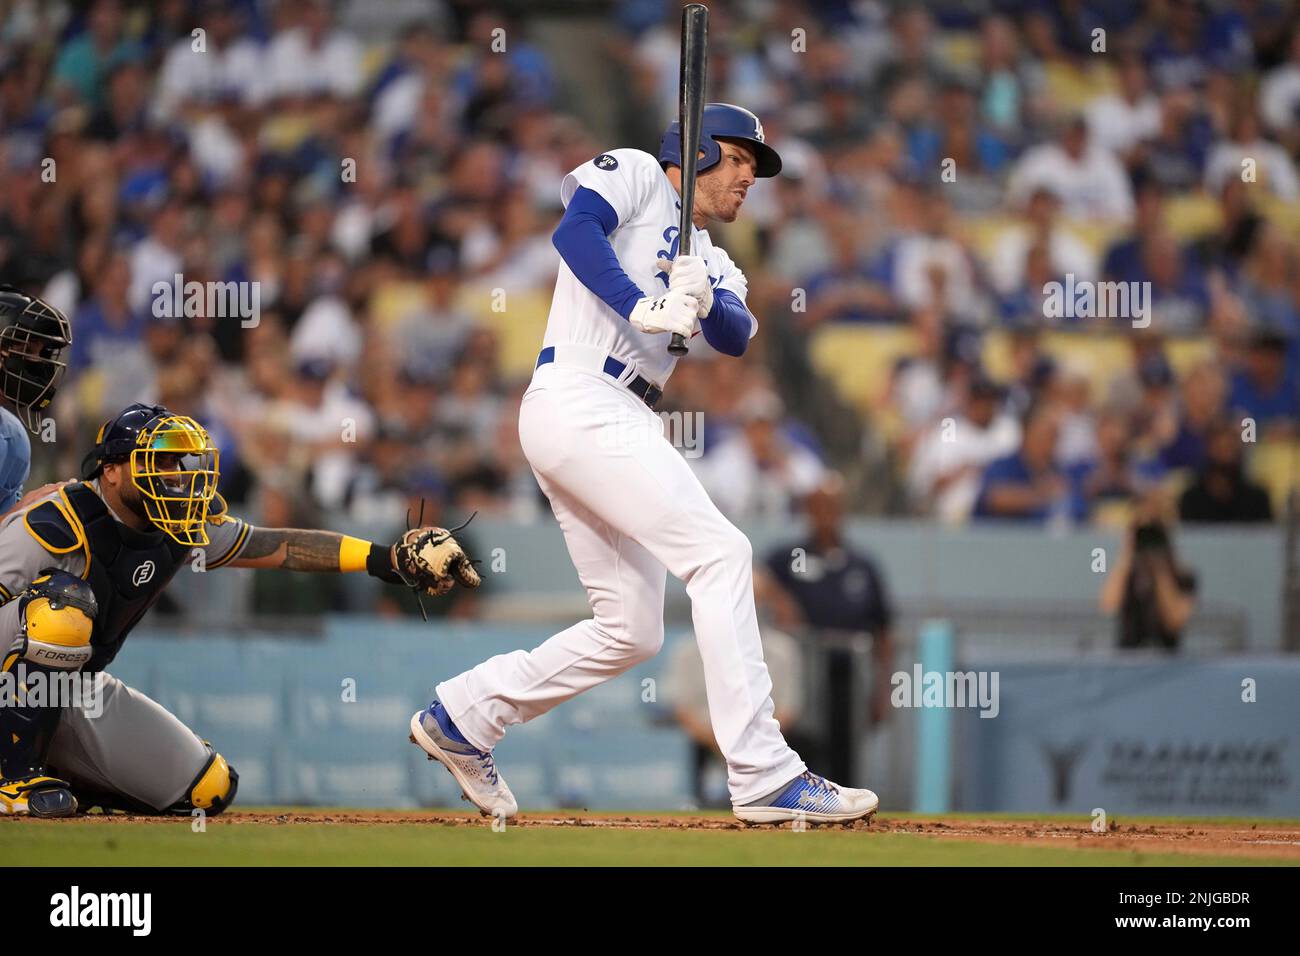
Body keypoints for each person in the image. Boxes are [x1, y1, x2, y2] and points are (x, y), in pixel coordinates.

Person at [411, 104, 880, 825]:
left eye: (755, 168)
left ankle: (464, 716)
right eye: (737, 159)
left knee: (632, 630)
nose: (748, 177)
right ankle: (764, 773)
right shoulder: (635, 171)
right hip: (578, 391)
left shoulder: (714, 254)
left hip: (621, 413)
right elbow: (573, 231)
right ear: (693, 152)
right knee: (723, 554)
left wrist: (698, 291)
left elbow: (738, 335)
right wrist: (643, 303)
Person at [0, 403, 478, 817]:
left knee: (208, 789)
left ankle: (59, 768)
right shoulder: (52, 521)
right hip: (10, 682)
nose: (173, 474)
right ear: (111, 470)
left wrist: (383, 559)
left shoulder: (178, 523)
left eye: (175, 461)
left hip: (72, 690)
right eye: (158, 461)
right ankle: (14, 781)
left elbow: (278, 546)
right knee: (62, 608)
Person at [763, 473, 895, 786]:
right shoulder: (789, 558)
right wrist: (781, 600)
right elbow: (754, 578)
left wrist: (882, 689)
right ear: (808, 511)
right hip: (801, 676)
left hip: (848, 678)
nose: (825, 515)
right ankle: (798, 806)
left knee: (845, 754)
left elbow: (883, 630)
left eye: (832, 507)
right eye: (818, 507)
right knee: (801, 748)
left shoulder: (862, 566)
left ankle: (843, 811)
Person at [0, 286, 73, 515]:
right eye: (28, 350)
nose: (37, 363)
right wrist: (24, 510)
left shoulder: (14, 438)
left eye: (42, 354)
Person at [1099, 493, 1197, 651]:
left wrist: (1160, 568)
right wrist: (1128, 552)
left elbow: (1175, 621)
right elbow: (1109, 605)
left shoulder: (1183, 574)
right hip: (1127, 659)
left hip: (1169, 662)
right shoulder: (1127, 573)